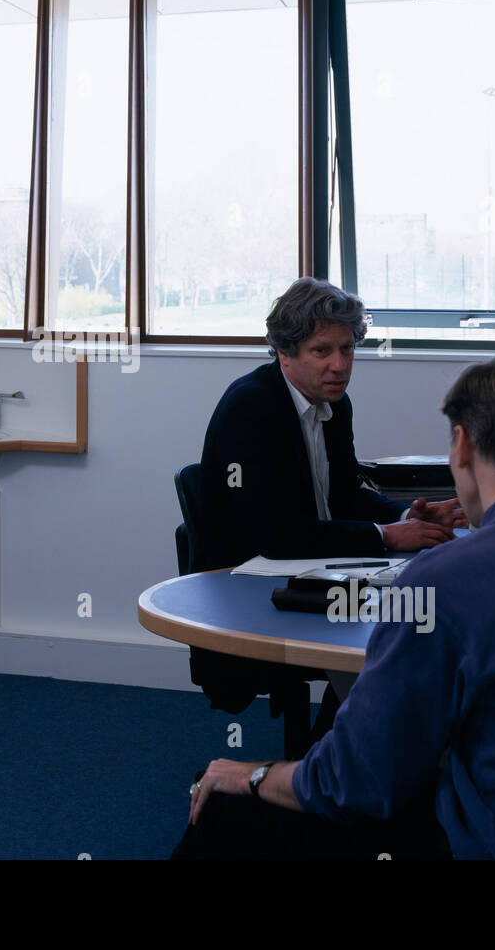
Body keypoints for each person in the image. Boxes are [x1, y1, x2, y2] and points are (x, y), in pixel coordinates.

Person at [174, 353, 495, 859]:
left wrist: (250, 774)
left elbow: (353, 784)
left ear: (461, 449)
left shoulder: (440, 583)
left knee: (223, 802)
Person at [189, 277, 463, 734]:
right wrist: (386, 537)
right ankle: (327, 774)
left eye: (348, 350)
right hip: (253, 588)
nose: (340, 366)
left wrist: (403, 514)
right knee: (389, 633)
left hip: (317, 569)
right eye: (322, 351)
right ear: (285, 351)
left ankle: (339, 765)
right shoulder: (250, 407)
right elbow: (276, 536)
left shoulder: (334, 402)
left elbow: (344, 494)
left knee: (411, 620)